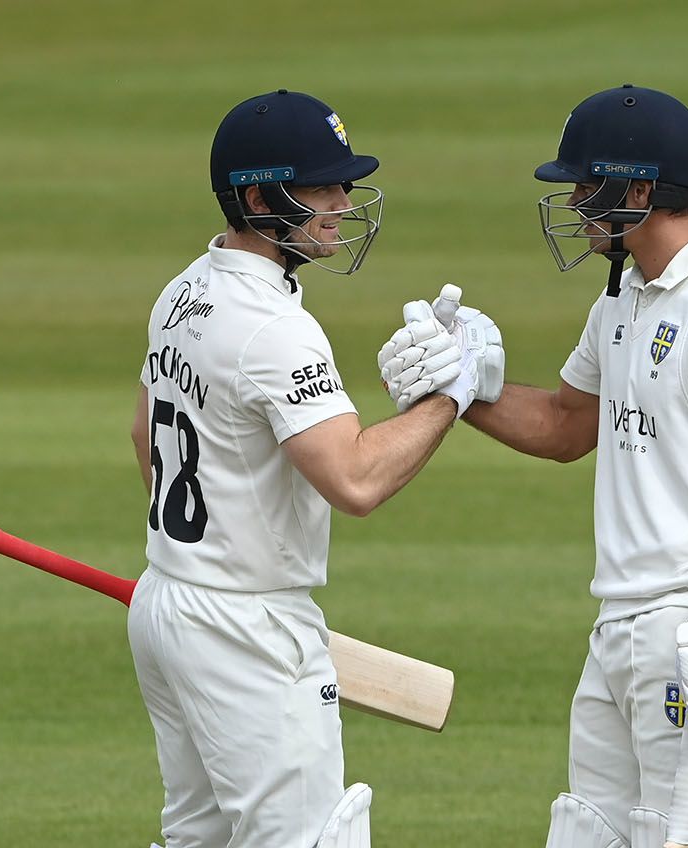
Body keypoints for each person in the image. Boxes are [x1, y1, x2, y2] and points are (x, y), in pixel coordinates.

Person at [388, 84, 688, 848]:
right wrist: (457, 387)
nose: (577, 203)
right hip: (618, 630)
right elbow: (562, 423)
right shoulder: (622, 299)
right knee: (591, 836)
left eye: (587, 187)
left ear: (640, 189)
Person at [127, 89, 475, 848]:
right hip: (247, 626)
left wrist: (204, 561)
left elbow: (142, 440)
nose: (342, 203)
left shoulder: (183, 291)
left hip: (168, 604)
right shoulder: (276, 328)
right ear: (257, 196)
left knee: (199, 838)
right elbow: (354, 480)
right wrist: (452, 395)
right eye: (321, 187)